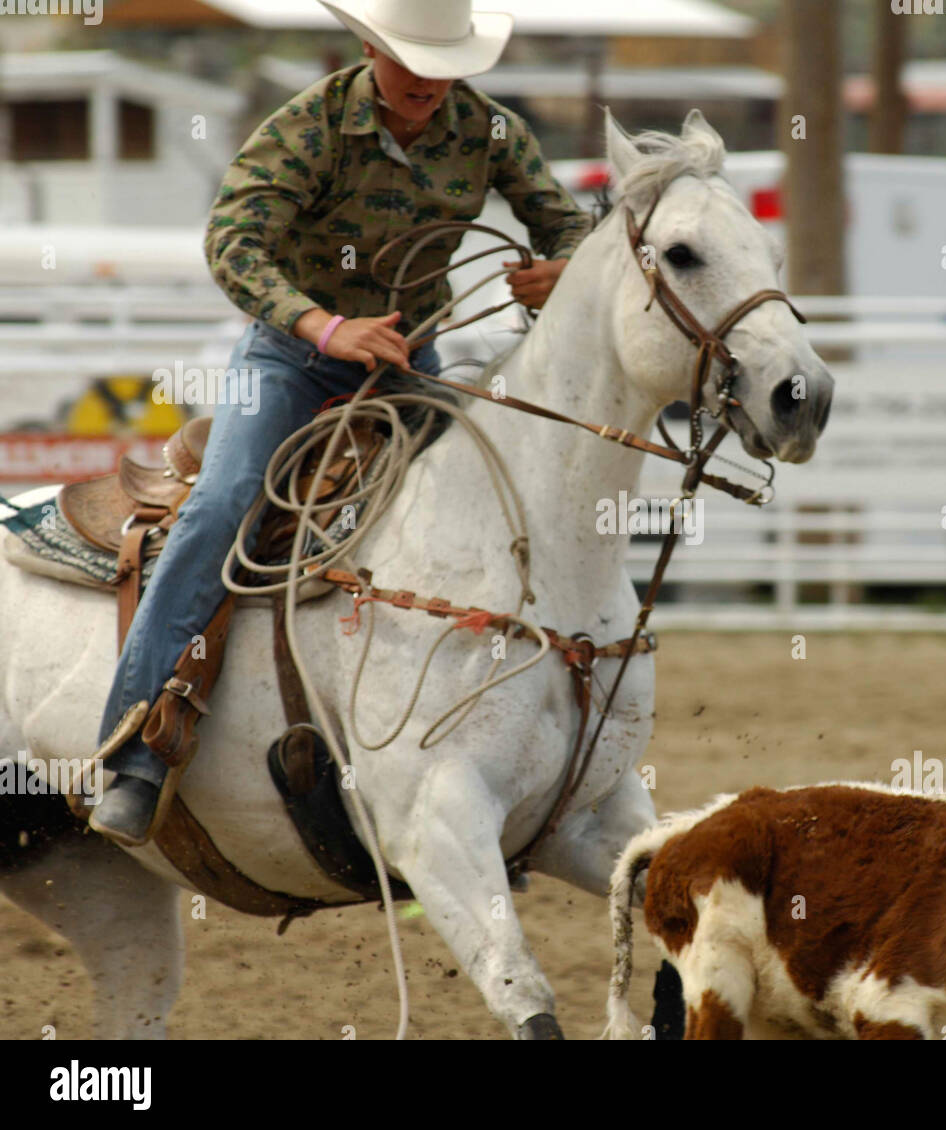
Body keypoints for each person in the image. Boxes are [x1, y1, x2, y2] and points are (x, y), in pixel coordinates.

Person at [88, 0, 593, 846]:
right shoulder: (312, 124)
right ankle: (135, 750)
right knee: (223, 505)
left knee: (488, 506)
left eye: (446, 64)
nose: (432, 82)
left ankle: (476, 752)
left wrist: (565, 270)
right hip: (291, 356)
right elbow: (233, 241)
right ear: (370, 49)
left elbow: (567, 222)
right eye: (413, 62)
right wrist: (327, 326)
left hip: (407, 360)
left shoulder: (490, 130)